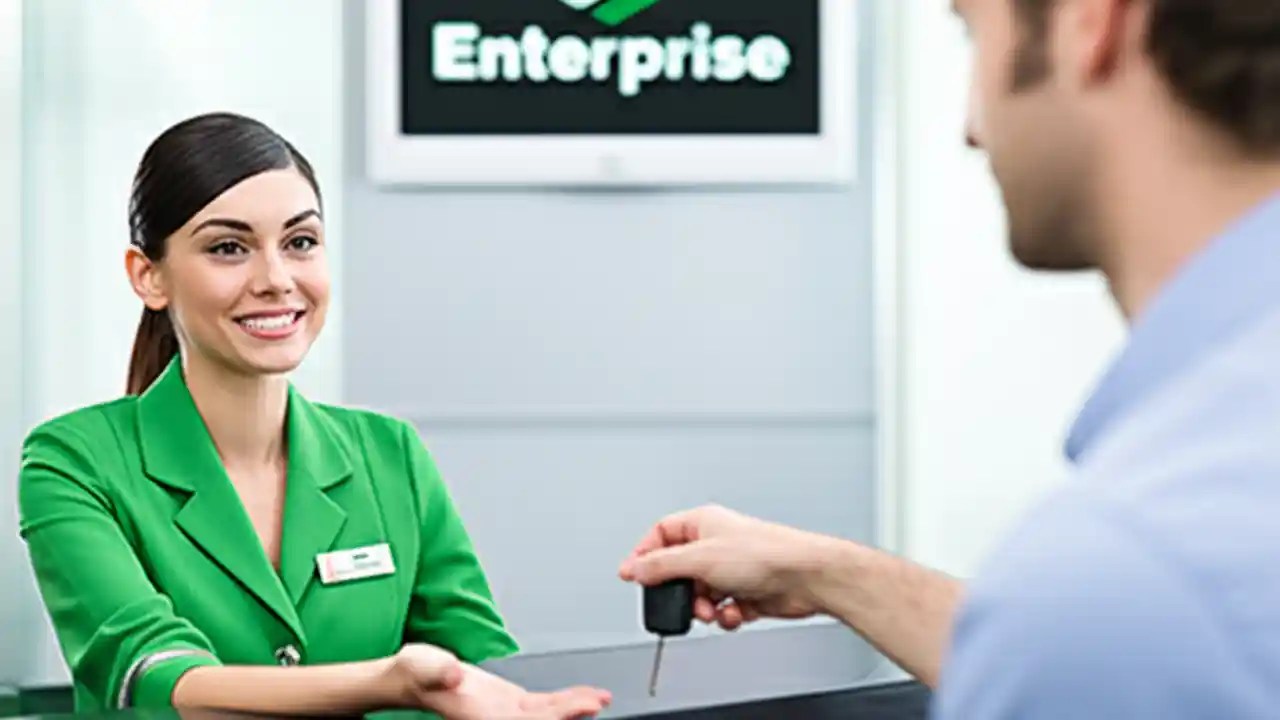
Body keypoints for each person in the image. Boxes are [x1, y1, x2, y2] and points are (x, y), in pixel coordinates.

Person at [619, 0, 1280, 717]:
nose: (971, 128)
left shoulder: (1136, 574)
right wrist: (826, 574)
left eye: (974, 33)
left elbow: (1099, 637)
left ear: (1092, 22)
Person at [17, 112, 610, 719]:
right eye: (228, 248)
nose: (276, 280)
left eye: (300, 242)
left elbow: (484, 669)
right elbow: (159, 681)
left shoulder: (391, 455)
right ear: (149, 277)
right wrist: (391, 683)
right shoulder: (74, 461)